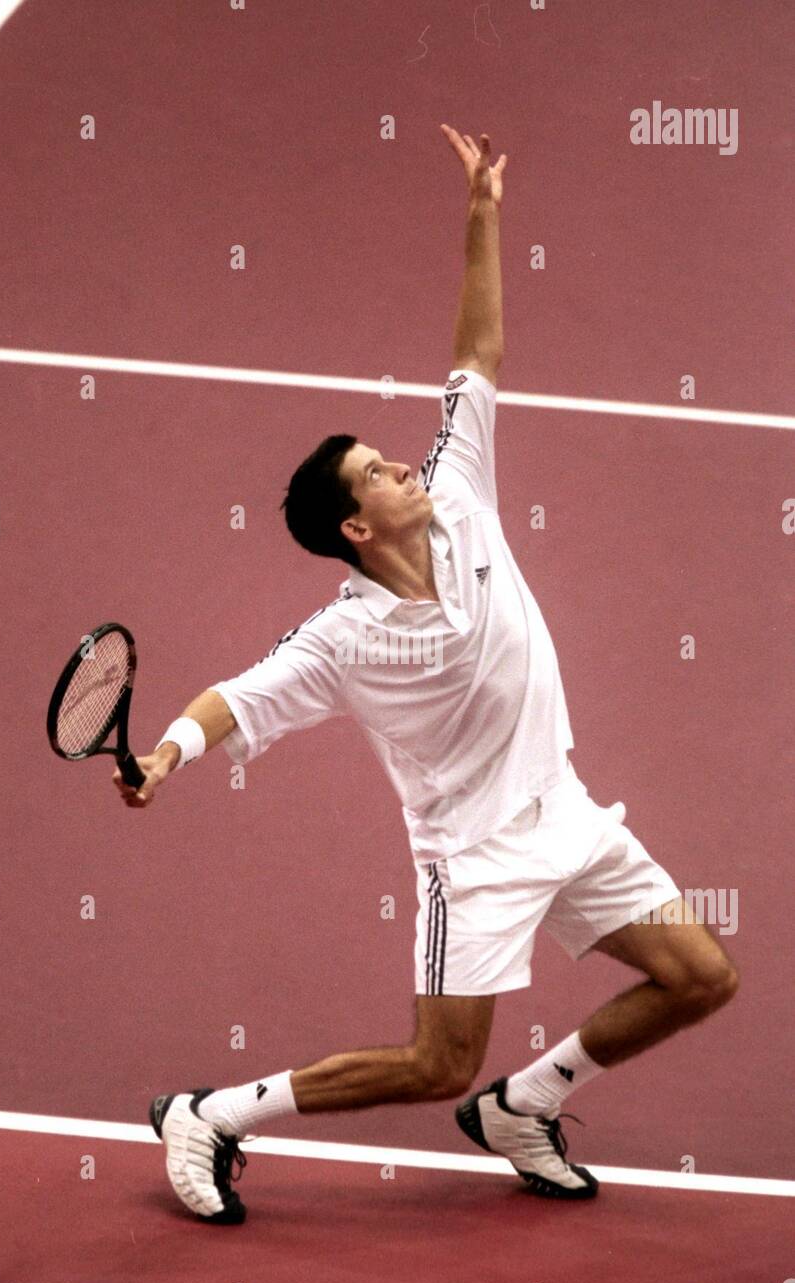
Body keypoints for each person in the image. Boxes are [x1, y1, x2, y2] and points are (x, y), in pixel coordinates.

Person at [117, 128, 739, 1224]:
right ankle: (207, 1114)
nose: (405, 461)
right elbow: (239, 695)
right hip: (476, 854)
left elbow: (477, 351)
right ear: (357, 524)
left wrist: (483, 211)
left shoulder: (459, 490)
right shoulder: (340, 638)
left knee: (699, 977)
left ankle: (528, 1103)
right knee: (434, 1061)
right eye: (377, 472)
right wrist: (166, 751)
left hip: (566, 811)